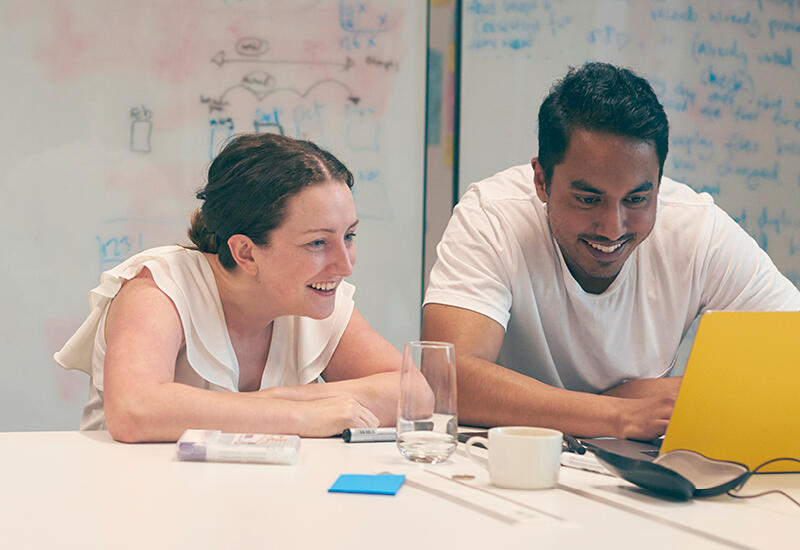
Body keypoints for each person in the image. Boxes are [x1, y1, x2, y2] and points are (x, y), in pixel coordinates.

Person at [422, 62, 800, 441]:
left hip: (634, 475)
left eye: (637, 199)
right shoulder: (492, 215)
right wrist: (618, 414)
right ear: (541, 180)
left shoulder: (697, 228)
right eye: (588, 199)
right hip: (508, 468)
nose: (613, 227)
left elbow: (792, 355)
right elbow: (447, 377)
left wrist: (624, 402)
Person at [56, 133, 421, 442]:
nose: (345, 264)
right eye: (317, 243)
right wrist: (296, 414)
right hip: (135, 505)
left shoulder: (316, 294)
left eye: (349, 236)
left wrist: (289, 401)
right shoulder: (158, 287)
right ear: (245, 252)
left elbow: (415, 394)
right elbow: (134, 410)